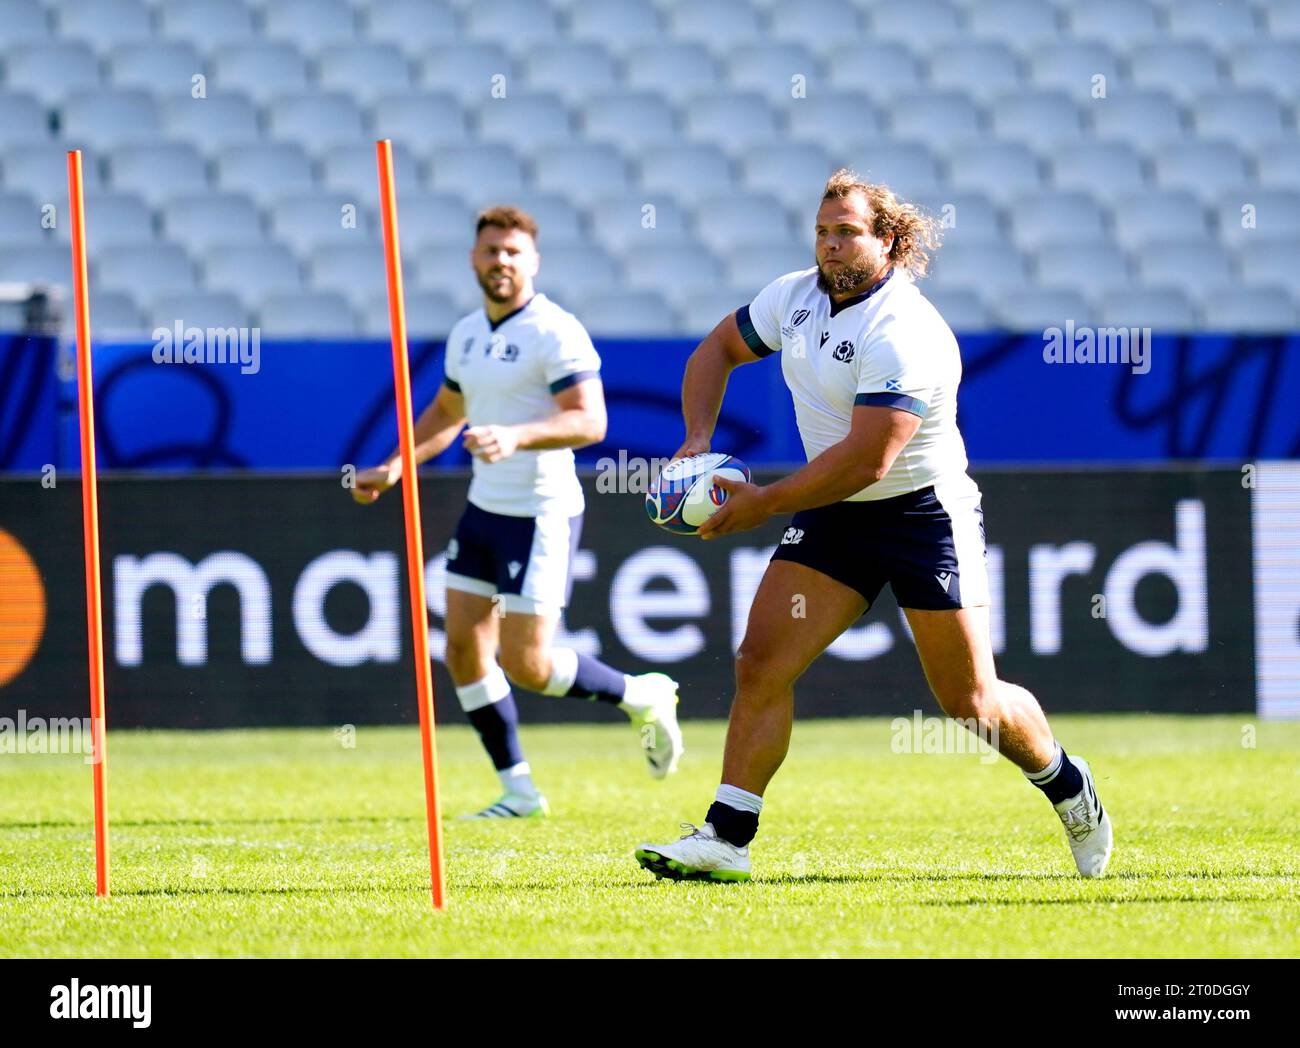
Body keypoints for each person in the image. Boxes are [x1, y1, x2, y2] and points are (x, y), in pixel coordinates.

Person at [634, 170, 1112, 879]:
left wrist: (763, 503)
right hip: (837, 513)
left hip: (921, 512)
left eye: (848, 231)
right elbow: (715, 352)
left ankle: (1069, 788)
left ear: (888, 240)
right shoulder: (793, 297)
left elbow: (868, 460)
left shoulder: (906, 328)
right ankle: (726, 837)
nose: (831, 245)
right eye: (823, 231)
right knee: (761, 661)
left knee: (971, 702)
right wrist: (696, 440)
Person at [355, 205, 683, 818]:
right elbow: (446, 415)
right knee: (461, 649)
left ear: (533, 261)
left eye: (512, 252)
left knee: (527, 665)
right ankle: (519, 790)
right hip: (484, 509)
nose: (500, 261)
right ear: (474, 259)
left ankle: (640, 694)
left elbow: (591, 421)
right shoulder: (465, 334)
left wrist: (515, 435)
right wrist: (398, 465)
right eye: (490, 251)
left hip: (540, 513)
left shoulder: (555, 331)